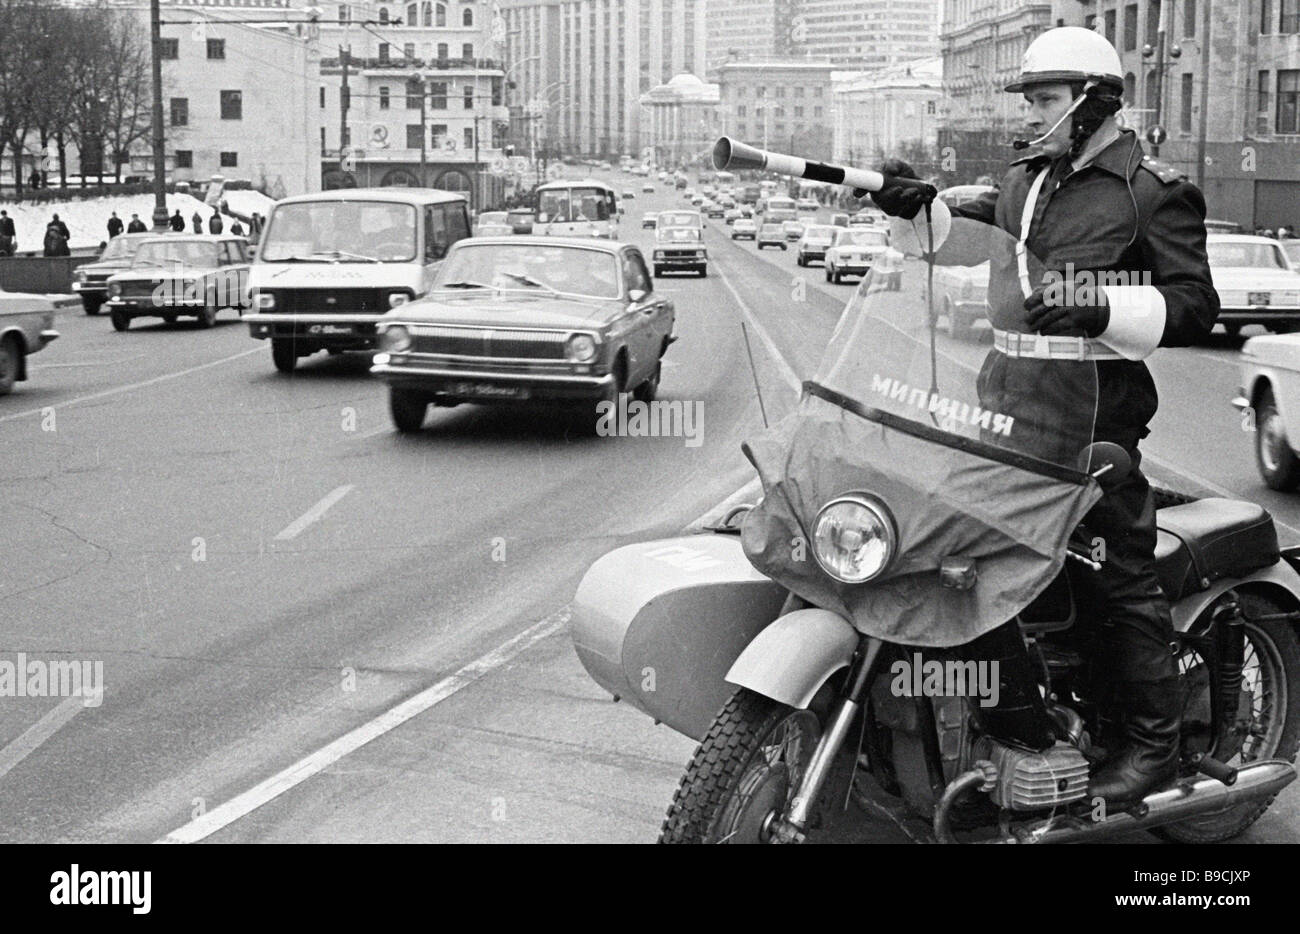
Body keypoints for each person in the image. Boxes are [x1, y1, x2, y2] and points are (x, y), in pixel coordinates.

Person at [868, 26, 1219, 806]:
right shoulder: (1027, 181)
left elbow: (1197, 306)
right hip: (1005, 406)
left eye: (1048, 99)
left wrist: (1100, 304)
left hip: (1096, 420)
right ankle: (1020, 724)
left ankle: (1154, 746)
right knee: (957, 551)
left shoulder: (1151, 191)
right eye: (1030, 99)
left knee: (1114, 574)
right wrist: (912, 211)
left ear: (1094, 103)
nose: (1034, 113)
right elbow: (960, 245)